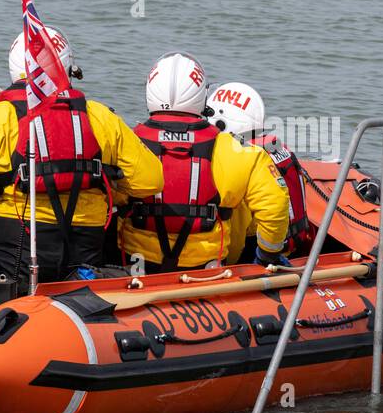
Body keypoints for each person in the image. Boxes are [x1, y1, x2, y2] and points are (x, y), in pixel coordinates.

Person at [0, 25, 163, 296]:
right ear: (69, 69)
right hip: (83, 262)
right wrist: (107, 190)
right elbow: (152, 181)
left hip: (12, 261)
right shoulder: (102, 118)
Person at [119, 54, 288, 272]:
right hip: (206, 273)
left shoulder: (124, 141)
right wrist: (267, 256)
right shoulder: (238, 150)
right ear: (202, 95)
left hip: (134, 269)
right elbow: (275, 205)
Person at [207, 81, 314, 260]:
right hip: (293, 245)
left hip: (260, 253)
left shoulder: (242, 160)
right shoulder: (276, 148)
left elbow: (237, 232)